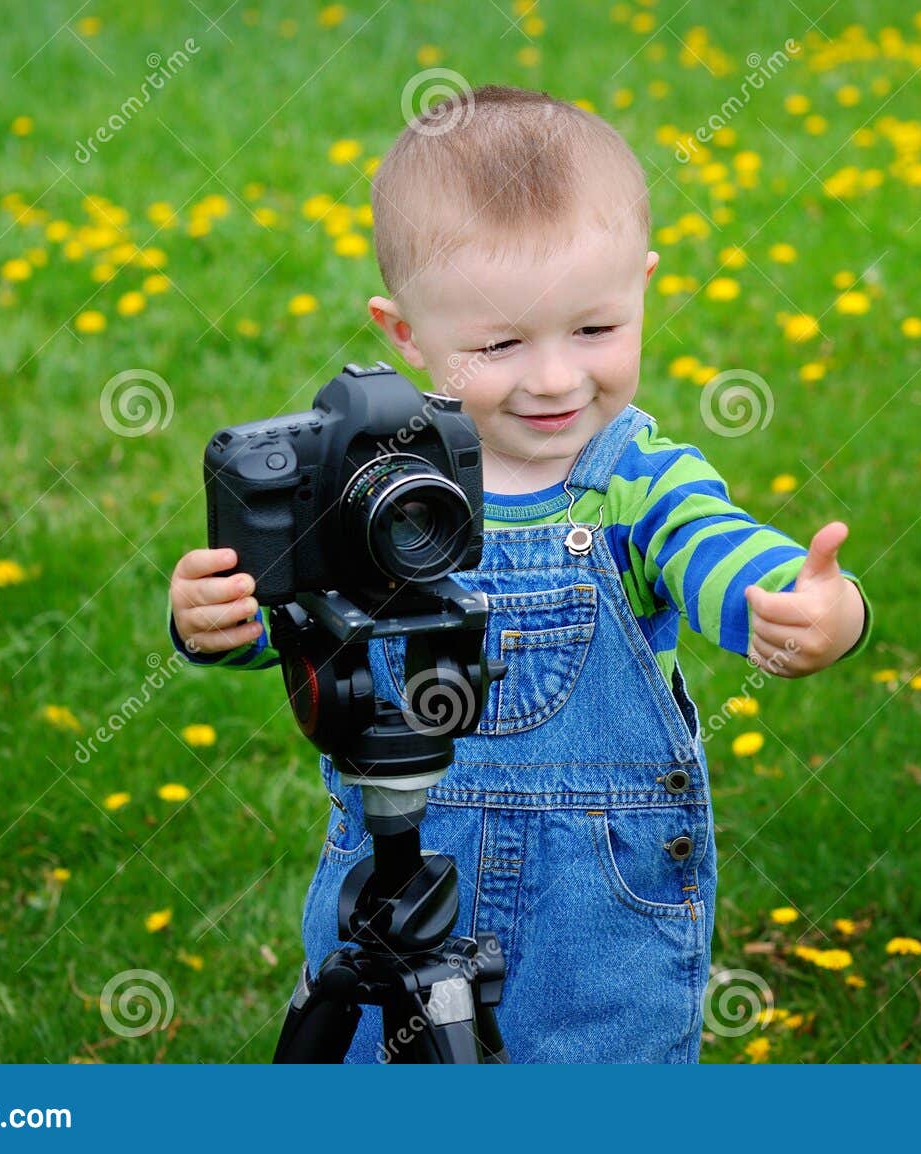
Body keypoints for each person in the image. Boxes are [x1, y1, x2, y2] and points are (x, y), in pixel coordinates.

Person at [167, 84, 871, 1062]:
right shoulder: (374, 482)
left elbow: (718, 547)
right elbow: (308, 627)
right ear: (404, 332)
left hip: (604, 918)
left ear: (643, 288)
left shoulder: (635, 479)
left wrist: (807, 602)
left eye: (594, 330)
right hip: (396, 878)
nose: (552, 378)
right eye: (500, 344)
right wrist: (223, 617)